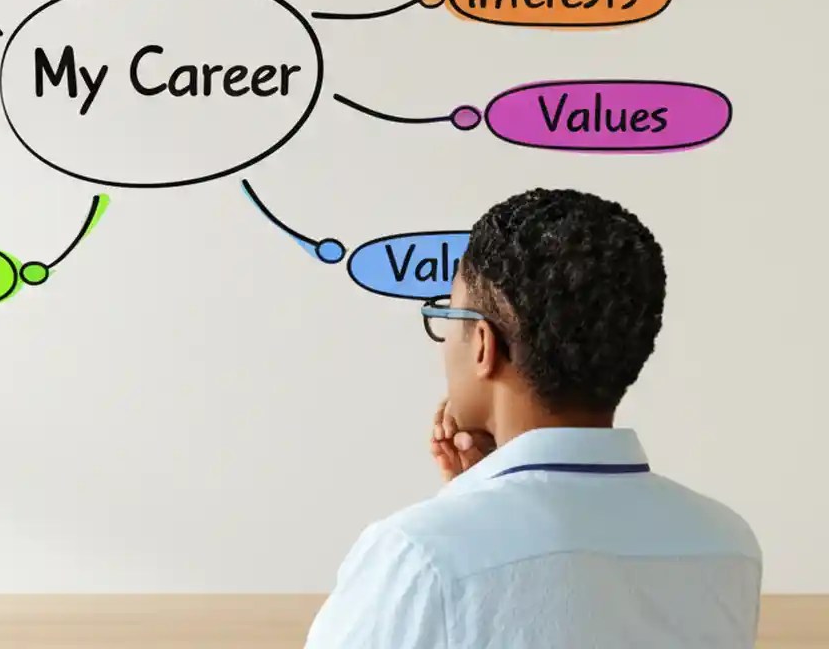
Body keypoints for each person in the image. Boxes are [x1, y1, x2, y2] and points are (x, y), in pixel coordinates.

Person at [304, 188, 762, 648]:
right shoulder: (726, 544)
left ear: (483, 343)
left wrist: (464, 510)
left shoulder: (419, 557)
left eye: (447, 316)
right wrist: (475, 496)